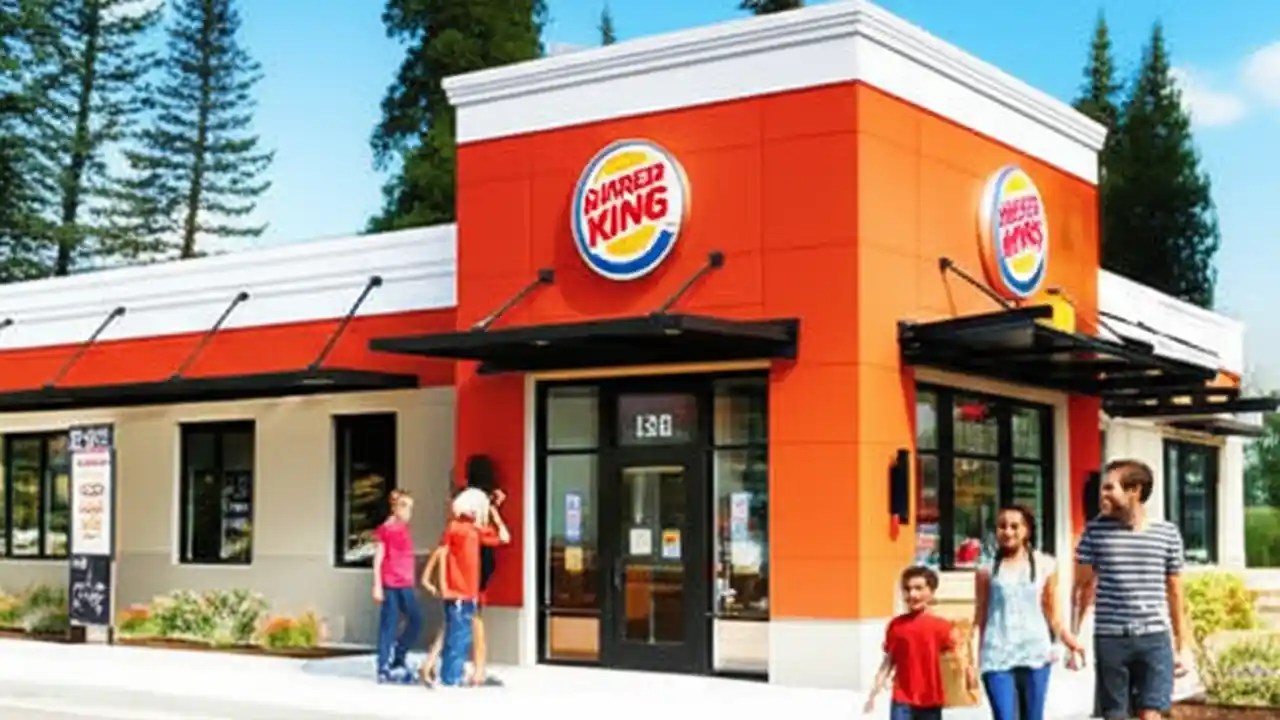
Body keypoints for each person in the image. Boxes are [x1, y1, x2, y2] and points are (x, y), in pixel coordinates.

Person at [1071, 459, 1190, 720]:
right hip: (1111, 638)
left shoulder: (1167, 534)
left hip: (1154, 638)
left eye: (1108, 488)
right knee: (1116, 715)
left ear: (1134, 490)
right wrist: (1075, 636)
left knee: (1151, 713)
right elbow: (1082, 586)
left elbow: (1175, 592)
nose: (1102, 494)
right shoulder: (1095, 531)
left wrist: (1182, 645)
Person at [973, 506, 1085, 720]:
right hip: (997, 654)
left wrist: (1071, 641)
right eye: (1002, 526)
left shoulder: (1045, 564)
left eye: (1014, 526)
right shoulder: (986, 569)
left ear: (1027, 530)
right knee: (1004, 715)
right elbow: (980, 616)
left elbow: (1052, 613)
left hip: (1035, 652)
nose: (1007, 532)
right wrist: (971, 658)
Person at [419, 486, 507, 686]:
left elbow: (503, 537)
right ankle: (451, 677)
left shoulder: (466, 529)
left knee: (458, 632)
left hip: (467, 589)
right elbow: (441, 553)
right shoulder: (461, 529)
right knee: (458, 634)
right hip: (460, 589)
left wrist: (493, 511)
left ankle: (444, 672)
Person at [864, 566, 972, 720]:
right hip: (902, 699)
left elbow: (958, 655)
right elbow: (889, 661)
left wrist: (968, 675)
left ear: (931, 591)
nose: (912, 594)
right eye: (907, 589)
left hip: (931, 699)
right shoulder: (896, 626)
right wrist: (875, 691)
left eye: (919, 588)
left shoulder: (942, 626)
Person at [372, 489, 423, 684]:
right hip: (391, 583)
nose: (410, 512)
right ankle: (384, 665)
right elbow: (379, 557)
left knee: (416, 619)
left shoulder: (403, 528)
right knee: (389, 624)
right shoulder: (388, 529)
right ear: (398, 508)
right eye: (408, 508)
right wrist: (377, 584)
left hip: (406, 583)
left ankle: (399, 655)